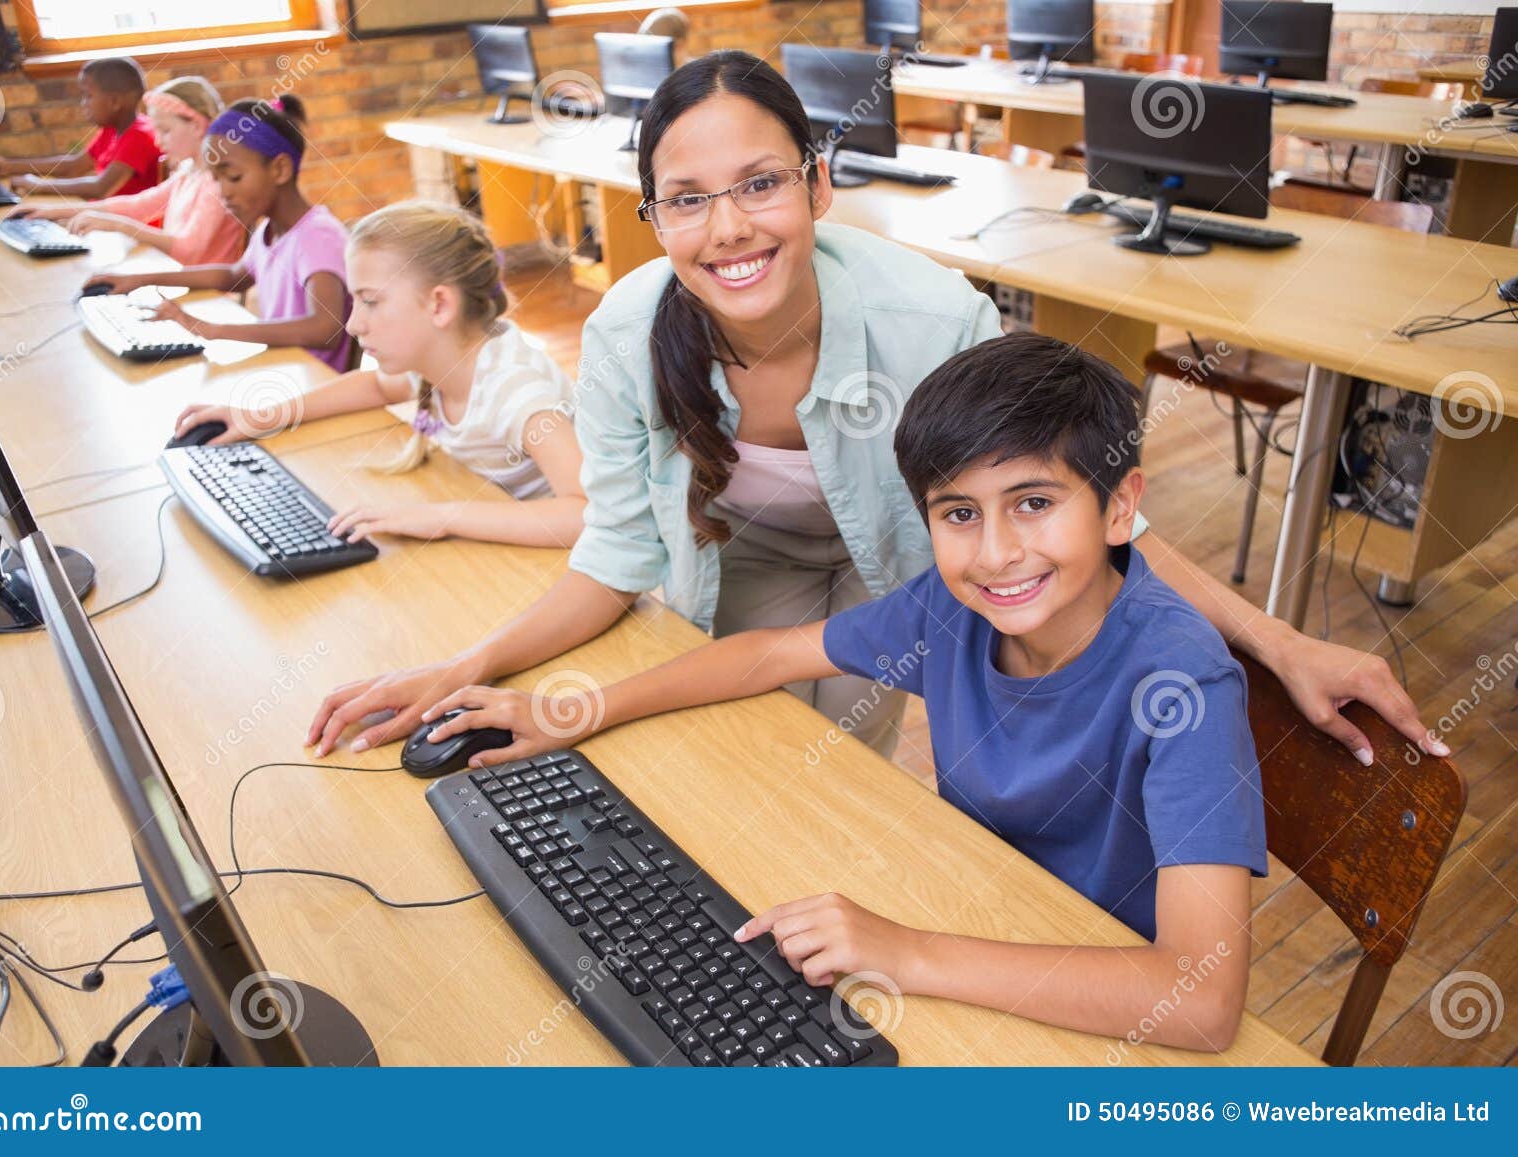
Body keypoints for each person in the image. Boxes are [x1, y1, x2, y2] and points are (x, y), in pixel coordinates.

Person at [306, 50, 1442, 772]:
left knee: (833, 767)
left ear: (816, 183)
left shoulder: (926, 315)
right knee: (727, 755)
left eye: (761, 183)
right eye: (689, 201)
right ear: (654, 219)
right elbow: (612, 556)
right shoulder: (622, 336)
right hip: (742, 556)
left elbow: (1085, 515)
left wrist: (1278, 640)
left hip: (897, 566)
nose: (731, 228)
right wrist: (473, 667)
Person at [415, 333, 1267, 1051]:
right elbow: (771, 655)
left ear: (1121, 509)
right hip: (978, 915)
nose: (999, 550)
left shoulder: (1183, 681)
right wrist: (584, 709)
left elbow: (1199, 999)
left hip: (1091, 1013)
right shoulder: (953, 605)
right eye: (959, 513)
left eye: (1035, 502)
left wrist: (911, 953)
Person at [173, 201, 586, 547]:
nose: (352, 325)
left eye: (370, 301)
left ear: (439, 305)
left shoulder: (519, 393)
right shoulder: (439, 355)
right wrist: (264, 414)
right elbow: (373, 385)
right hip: (484, 534)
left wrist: (446, 517)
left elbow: (584, 514)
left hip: (539, 562)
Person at [79, 96, 352, 372]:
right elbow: (234, 276)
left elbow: (324, 329)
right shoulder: (271, 230)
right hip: (281, 369)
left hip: (312, 382)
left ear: (280, 169)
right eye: (216, 179)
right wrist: (141, 279)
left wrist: (212, 329)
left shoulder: (317, 236)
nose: (223, 193)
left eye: (233, 177)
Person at [12, 76, 245, 266]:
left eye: (165, 131)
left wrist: (117, 225)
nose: (158, 141)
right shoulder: (189, 172)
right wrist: (54, 212)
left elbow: (189, 252)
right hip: (178, 280)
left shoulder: (216, 183)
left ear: (195, 126)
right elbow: (139, 205)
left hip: (207, 298)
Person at [0, 57, 160, 199]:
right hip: (105, 218)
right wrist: (8, 166)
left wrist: (40, 185)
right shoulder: (112, 130)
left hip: (131, 234)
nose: (83, 103)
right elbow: (74, 167)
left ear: (114, 101)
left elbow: (101, 188)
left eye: (88, 96)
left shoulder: (139, 136)